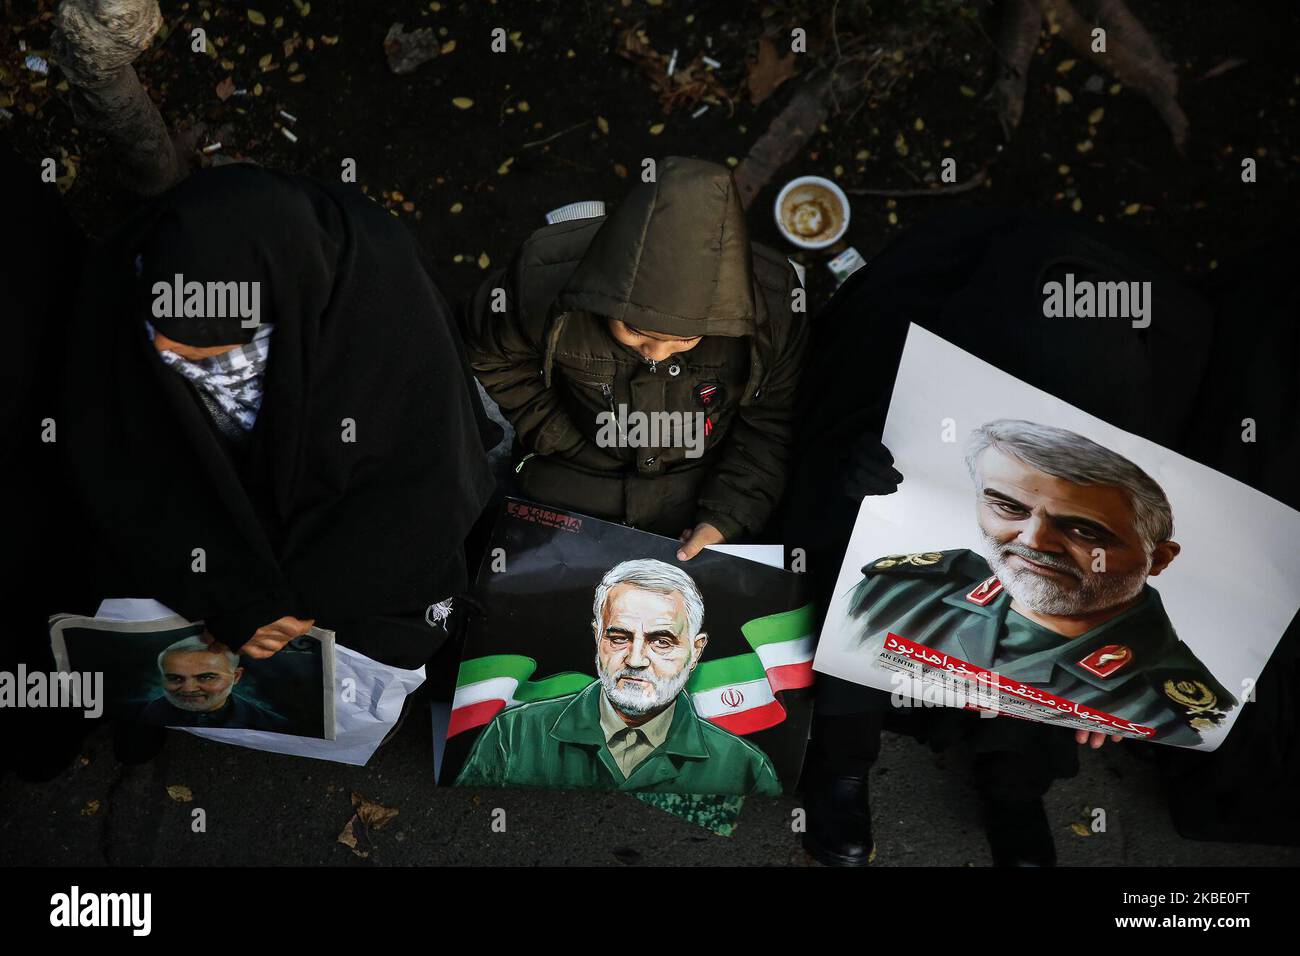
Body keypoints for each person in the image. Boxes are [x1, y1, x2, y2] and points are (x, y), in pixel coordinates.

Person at [784, 208, 1221, 867]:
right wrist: (857, 473)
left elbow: (1170, 648)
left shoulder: (1133, 396)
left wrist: (1120, 696)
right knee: (870, 568)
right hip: (928, 542)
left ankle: (1013, 787)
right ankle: (839, 760)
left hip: (1059, 601)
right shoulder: (926, 332)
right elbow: (818, 466)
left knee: (1073, 623)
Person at [59, 164, 499, 758]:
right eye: (160, 333)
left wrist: (298, 605)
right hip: (212, 531)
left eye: (207, 350)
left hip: (349, 553)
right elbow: (129, 465)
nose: (169, 354)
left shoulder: (380, 307)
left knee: (388, 623)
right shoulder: (131, 277)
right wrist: (231, 594)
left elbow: (420, 488)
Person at [463, 156, 807, 559]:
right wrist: (554, 433)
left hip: (699, 489)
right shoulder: (541, 284)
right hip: (566, 475)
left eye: (684, 339)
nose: (656, 354)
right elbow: (488, 353)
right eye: (636, 331)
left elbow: (772, 420)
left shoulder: (772, 313)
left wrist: (728, 516)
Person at [843, 420, 1235, 746]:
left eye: (1083, 530)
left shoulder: (1174, 706)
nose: (1033, 541)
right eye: (1009, 507)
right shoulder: (899, 590)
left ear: (1159, 559)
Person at [455, 559, 781, 794]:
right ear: (597, 637)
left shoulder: (745, 768)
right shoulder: (514, 734)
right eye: (619, 637)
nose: (636, 659)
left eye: (661, 641)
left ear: (696, 651)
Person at [137, 636, 288, 731]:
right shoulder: (138, 715)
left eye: (206, 677)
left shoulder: (271, 724)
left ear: (235, 676)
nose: (189, 689)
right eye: (175, 678)